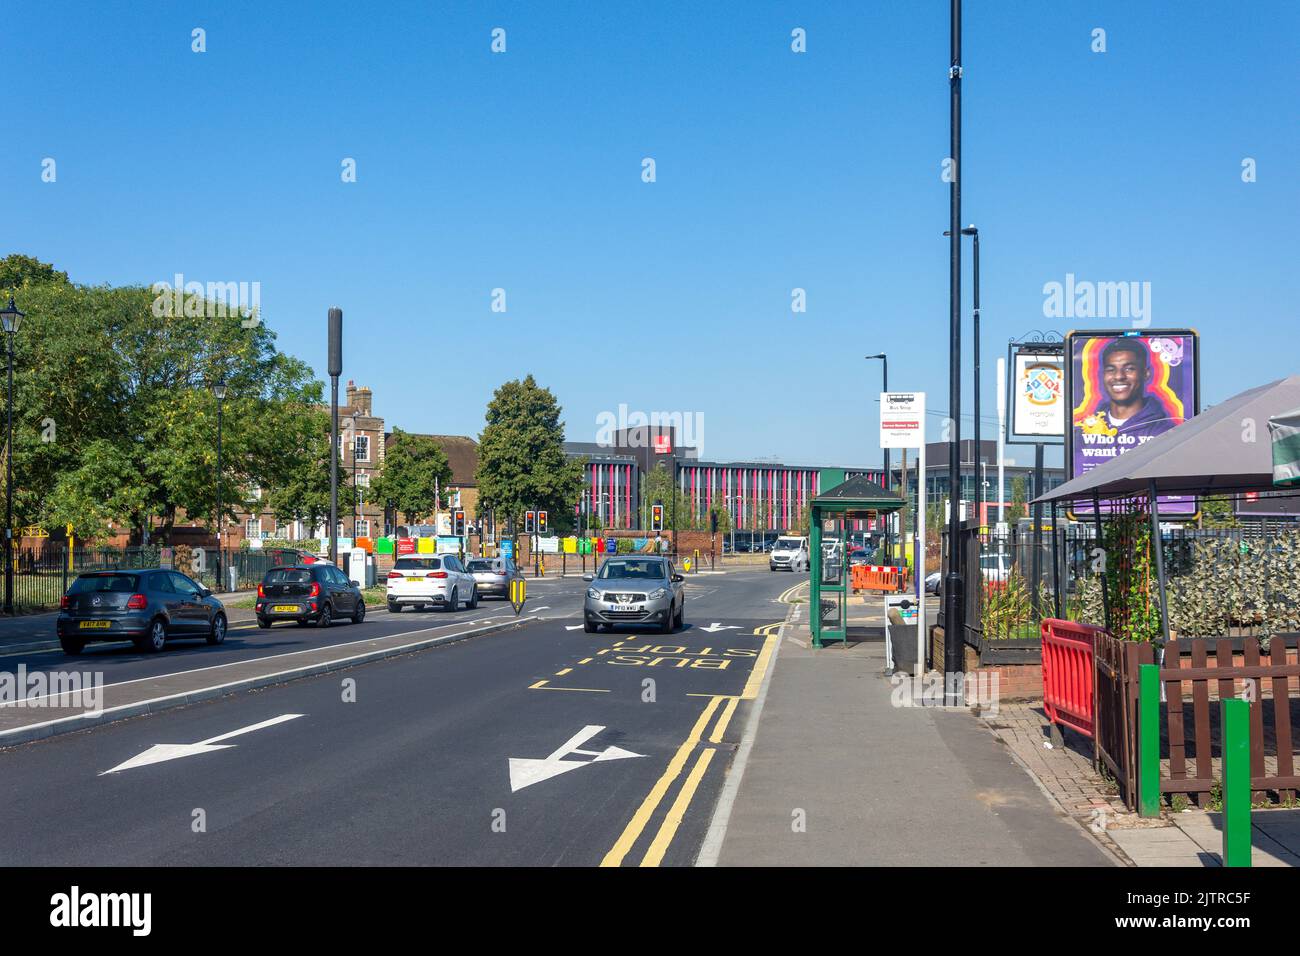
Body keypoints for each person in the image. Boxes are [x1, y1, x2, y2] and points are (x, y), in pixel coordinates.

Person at [1096, 338, 1180, 441]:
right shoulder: (1083, 432)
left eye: (1129, 369)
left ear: (1146, 374)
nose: (1119, 376)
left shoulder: (1165, 432)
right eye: (1110, 370)